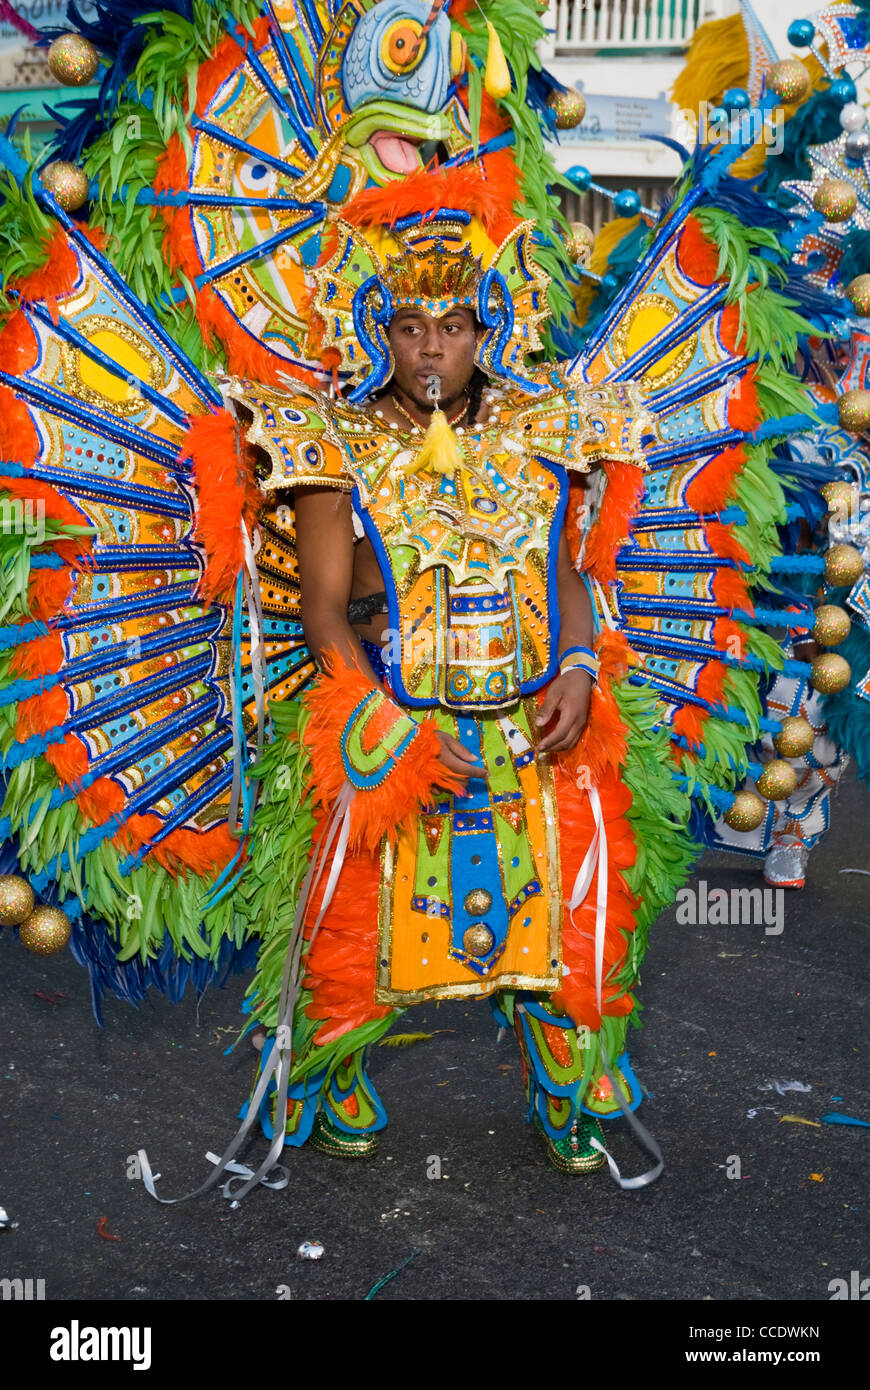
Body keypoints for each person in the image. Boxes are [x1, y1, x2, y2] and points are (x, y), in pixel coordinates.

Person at [234, 215, 653, 1176]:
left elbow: (568, 577)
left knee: (566, 904)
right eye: (413, 325)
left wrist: (582, 671)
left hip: (529, 716)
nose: (433, 346)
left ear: (489, 329)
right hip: (396, 716)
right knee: (359, 921)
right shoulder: (331, 444)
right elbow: (328, 614)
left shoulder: (543, 431)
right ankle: (334, 1068)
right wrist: (381, 724)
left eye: (456, 323)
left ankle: (568, 1067)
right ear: (378, 328)